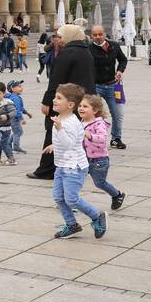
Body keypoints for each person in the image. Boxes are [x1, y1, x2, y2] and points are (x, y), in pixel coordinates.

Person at [28, 24, 96, 181]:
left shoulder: (67, 53)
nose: (57, 39)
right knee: (74, 133)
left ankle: (46, 170)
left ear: (69, 36)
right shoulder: (86, 51)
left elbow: (56, 80)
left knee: (53, 131)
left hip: (66, 100)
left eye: (60, 36)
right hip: (82, 99)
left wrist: (47, 101)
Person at [44, 83, 106, 239]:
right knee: (58, 197)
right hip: (62, 165)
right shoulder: (61, 119)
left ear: (70, 105)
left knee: (71, 198)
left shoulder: (70, 122)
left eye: (59, 98)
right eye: (55, 97)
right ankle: (72, 225)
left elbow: (70, 144)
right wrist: (54, 144)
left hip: (74, 167)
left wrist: (59, 129)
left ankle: (97, 216)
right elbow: (68, 141)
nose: (54, 100)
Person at [79, 93, 125, 211]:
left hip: (99, 160)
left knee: (99, 183)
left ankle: (117, 195)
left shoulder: (99, 124)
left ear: (94, 110)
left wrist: (89, 135)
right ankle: (71, 199)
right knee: (76, 179)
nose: (80, 108)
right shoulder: (81, 122)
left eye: (85, 106)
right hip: (83, 158)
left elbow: (102, 138)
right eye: (80, 106)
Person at [89, 24, 128, 149]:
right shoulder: (88, 48)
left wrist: (120, 70)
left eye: (100, 34)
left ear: (105, 34)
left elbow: (123, 59)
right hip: (96, 86)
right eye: (95, 35)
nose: (98, 37)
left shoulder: (114, 46)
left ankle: (116, 138)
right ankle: (93, 138)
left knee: (117, 113)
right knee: (94, 113)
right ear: (91, 36)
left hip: (112, 86)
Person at [6, 79, 32, 154]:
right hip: (14, 118)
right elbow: (17, 110)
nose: (21, 88)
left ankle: (8, 144)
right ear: (13, 89)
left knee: (16, 131)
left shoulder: (14, 97)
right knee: (18, 132)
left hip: (12, 118)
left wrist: (26, 113)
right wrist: (21, 119)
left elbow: (20, 108)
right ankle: (16, 147)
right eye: (19, 86)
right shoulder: (15, 98)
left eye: (21, 86)